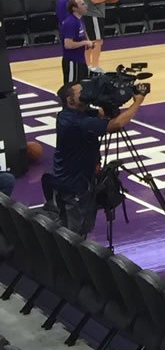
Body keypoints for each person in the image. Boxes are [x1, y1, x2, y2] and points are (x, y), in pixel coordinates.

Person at [48, 77, 149, 234]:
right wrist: (137, 102)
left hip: (66, 180)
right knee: (75, 233)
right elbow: (115, 124)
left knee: (67, 226)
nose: (86, 93)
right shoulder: (79, 122)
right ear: (70, 100)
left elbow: (102, 113)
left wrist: (115, 95)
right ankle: (73, 255)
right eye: (82, 92)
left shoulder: (69, 114)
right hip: (76, 186)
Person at [79, 0, 112, 71]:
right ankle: (95, 66)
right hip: (94, 14)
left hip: (90, 14)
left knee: (91, 41)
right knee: (97, 41)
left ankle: (88, 65)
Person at [59, 0, 90, 85]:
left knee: (82, 84)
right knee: (71, 87)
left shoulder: (79, 19)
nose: (86, 6)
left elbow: (82, 31)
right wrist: (85, 42)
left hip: (80, 59)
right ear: (74, 8)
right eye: (82, 4)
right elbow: (68, 45)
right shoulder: (71, 22)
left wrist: (87, 41)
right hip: (72, 61)